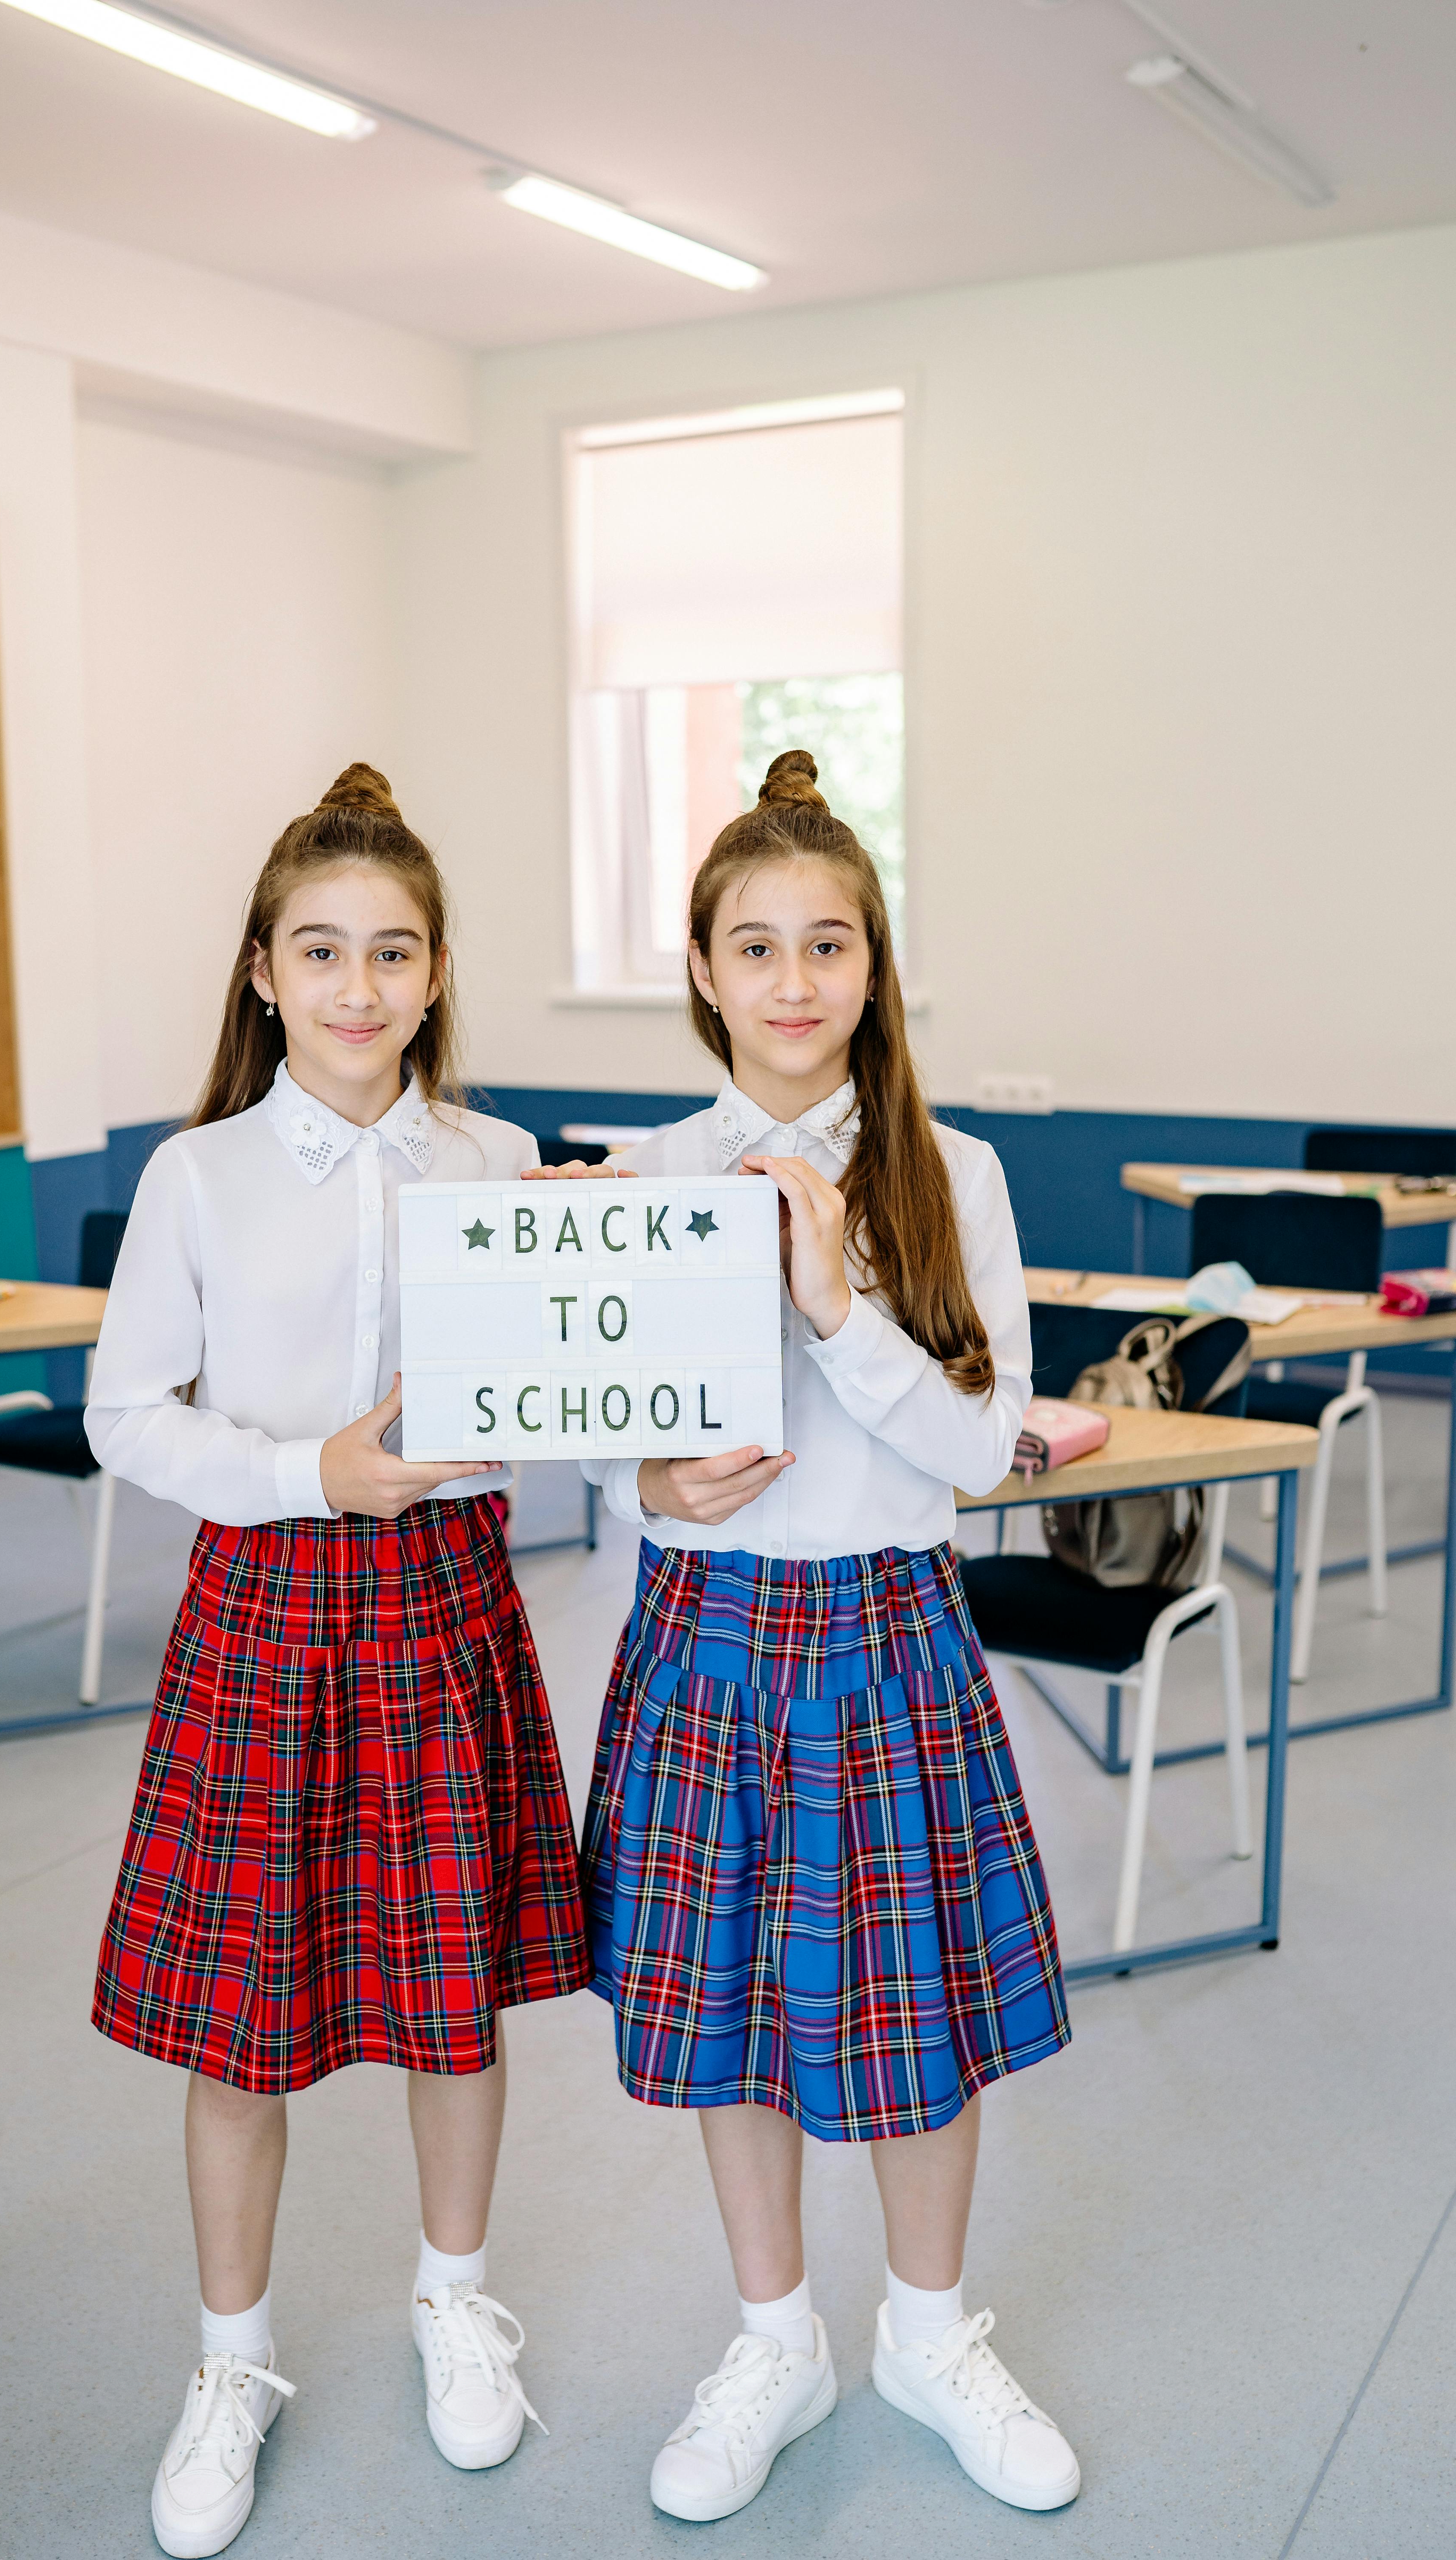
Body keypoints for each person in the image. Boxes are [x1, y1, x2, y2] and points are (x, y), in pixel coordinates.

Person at [566, 749, 1077, 2520]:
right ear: (700, 971)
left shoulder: (961, 1175)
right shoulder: (642, 1172)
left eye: (829, 944)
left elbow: (969, 1446)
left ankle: (928, 2330)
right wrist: (654, 1487)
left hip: (890, 1629)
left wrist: (836, 1298)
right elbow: (600, 1452)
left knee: (915, 1997)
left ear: (874, 966)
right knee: (730, 2010)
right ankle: (776, 2334)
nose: (794, 981)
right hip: (705, 1634)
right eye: (755, 945)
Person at [87, 764, 590, 2558]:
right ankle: (232, 2364)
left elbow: (566, 1393)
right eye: (323, 952)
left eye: (393, 953)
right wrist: (314, 1474)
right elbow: (124, 1415)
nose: (358, 987)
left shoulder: (501, 1163)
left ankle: (455, 2301)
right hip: (268, 1612)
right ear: (263, 972)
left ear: (438, 972)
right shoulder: (197, 1175)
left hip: (449, 1604)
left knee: (450, 1995)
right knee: (247, 2019)